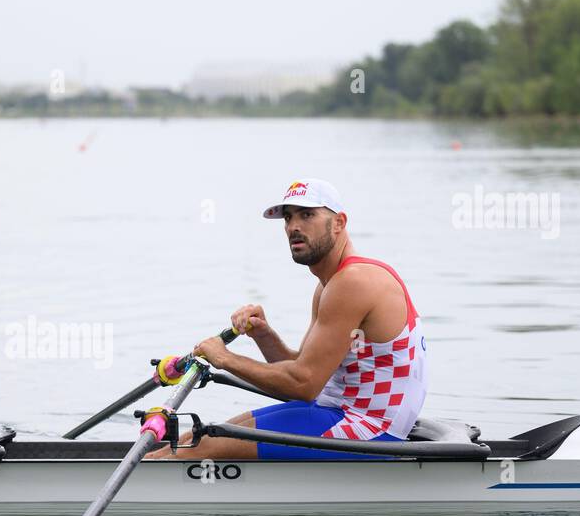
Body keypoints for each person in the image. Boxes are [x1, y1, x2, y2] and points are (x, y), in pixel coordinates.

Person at [149, 178, 426, 461]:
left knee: (199, 449)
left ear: (339, 223)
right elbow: (302, 367)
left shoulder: (354, 282)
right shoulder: (329, 285)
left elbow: (303, 385)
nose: (294, 226)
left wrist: (225, 358)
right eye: (288, 217)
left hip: (371, 432)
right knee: (190, 440)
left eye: (307, 215)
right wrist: (263, 335)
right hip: (337, 412)